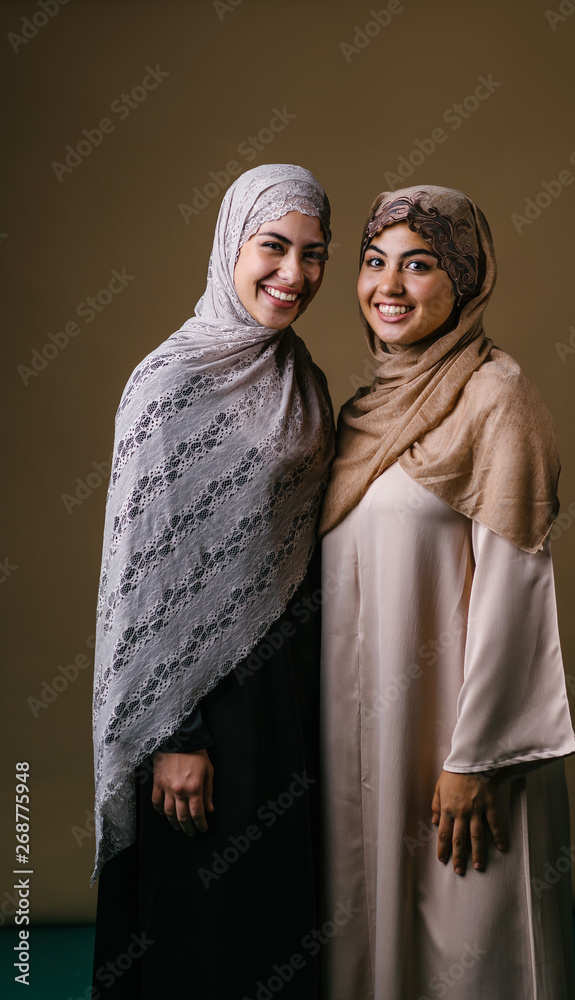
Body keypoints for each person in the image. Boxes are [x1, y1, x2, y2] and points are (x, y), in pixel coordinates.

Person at [319, 185, 575, 999]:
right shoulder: (366, 407)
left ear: (464, 280)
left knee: (466, 940)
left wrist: (476, 759)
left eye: (419, 266)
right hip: (356, 734)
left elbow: (516, 592)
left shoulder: (496, 398)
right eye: (373, 263)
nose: (387, 287)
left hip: (455, 743)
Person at [91, 163, 334, 999]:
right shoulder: (170, 383)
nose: (293, 274)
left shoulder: (301, 375)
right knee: (208, 925)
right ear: (231, 243)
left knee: (281, 920)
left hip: (289, 697)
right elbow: (145, 571)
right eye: (272, 247)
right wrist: (175, 737)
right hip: (202, 705)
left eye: (313, 253)